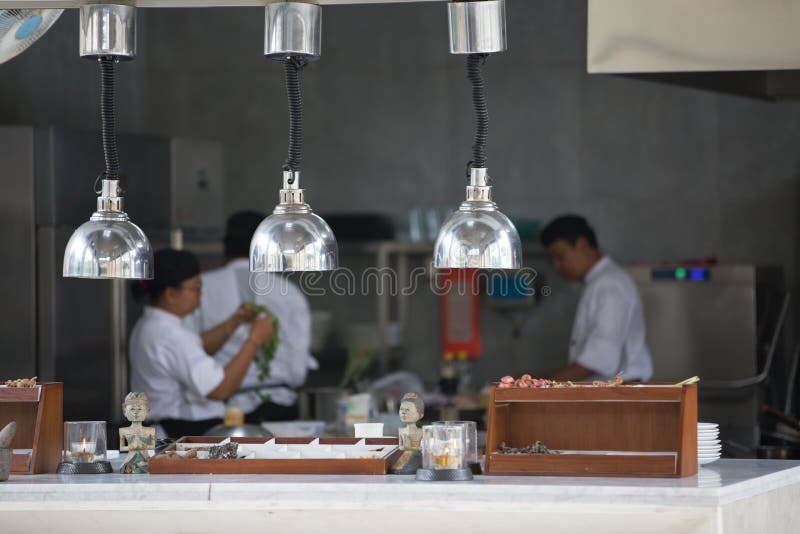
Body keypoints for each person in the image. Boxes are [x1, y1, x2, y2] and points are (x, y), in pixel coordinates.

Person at [184, 211, 318, 423]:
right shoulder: (289, 292)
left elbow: (189, 352)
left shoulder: (199, 290)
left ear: (225, 246)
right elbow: (298, 370)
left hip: (219, 412)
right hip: (279, 408)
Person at [129, 249, 276, 438]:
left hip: (173, 429)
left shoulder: (150, 325)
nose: (201, 294)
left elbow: (196, 349)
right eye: (196, 287)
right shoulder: (170, 336)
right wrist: (254, 340)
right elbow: (220, 389)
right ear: (171, 294)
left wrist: (235, 321)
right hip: (183, 432)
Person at [540, 215, 653, 383]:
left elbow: (600, 358)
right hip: (609, 392)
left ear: (582, 245)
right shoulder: (597, 282)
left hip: (621, 395)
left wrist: (544, 385)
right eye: (552, 260)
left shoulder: (610, 285)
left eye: (560, 256)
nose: (557, 266)